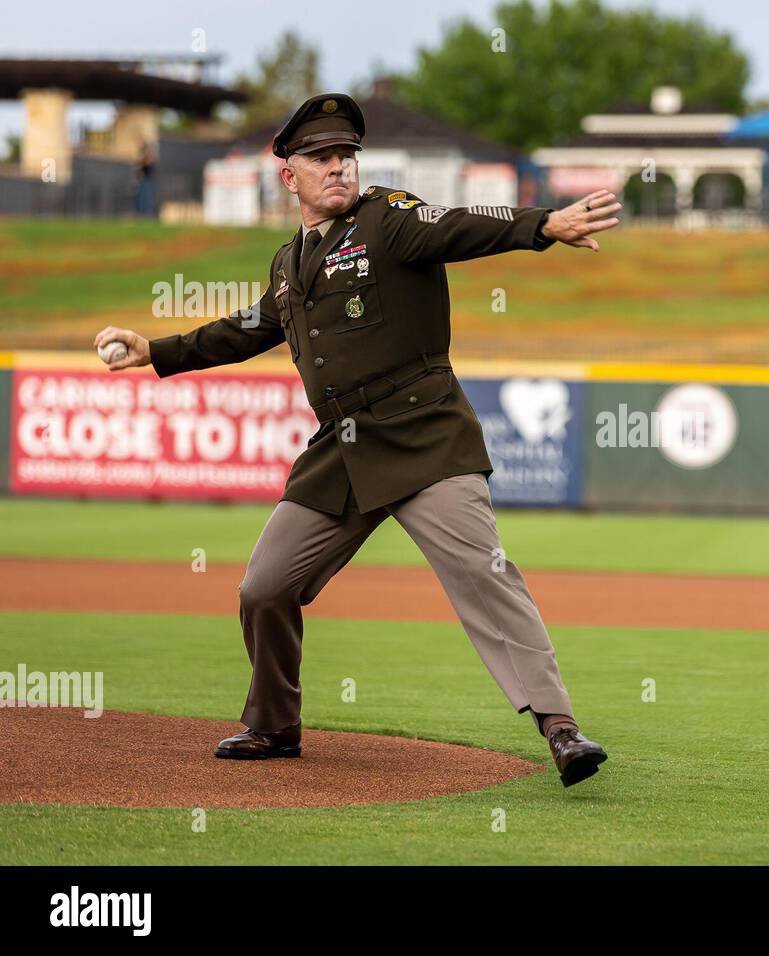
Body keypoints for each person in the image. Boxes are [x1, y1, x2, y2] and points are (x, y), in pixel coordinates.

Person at [93, 93, 622, 787]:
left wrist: (542, 225)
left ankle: (560, 729)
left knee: (485, 576)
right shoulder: (288, 264)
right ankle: (274, 724)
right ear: (289, 176)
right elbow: (245, 330)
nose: (338, 166)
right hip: (342, 448)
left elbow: (458, 227)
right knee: (264, 588)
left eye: (345, 155)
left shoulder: (388, 219)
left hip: (425, 436)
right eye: (321, 158)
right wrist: (155, 351)